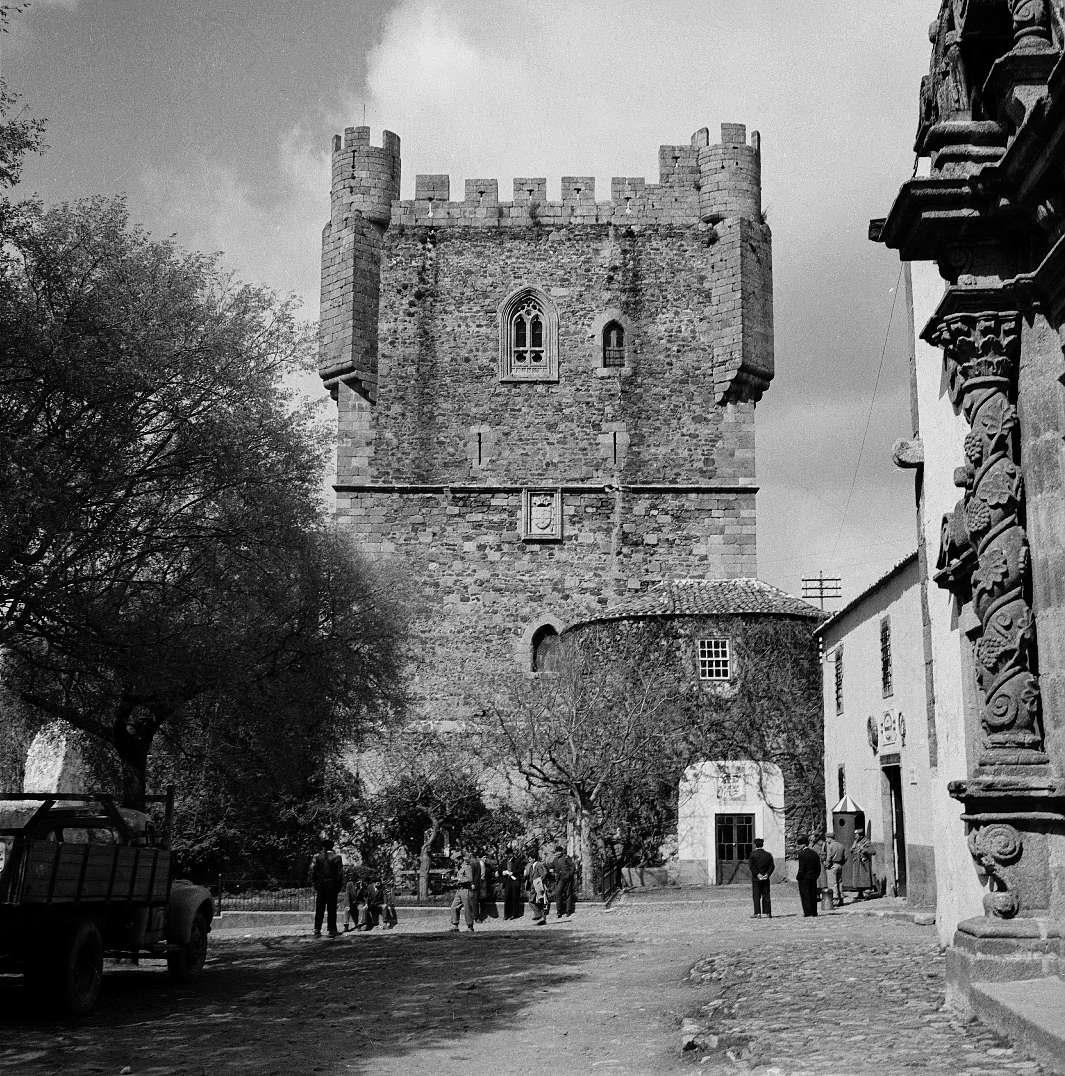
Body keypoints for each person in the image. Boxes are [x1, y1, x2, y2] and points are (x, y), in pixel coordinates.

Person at [309, 837, 343, 938]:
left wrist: (315, 884)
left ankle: (317, 929)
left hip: (321, 886)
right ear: (332, 847)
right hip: (332, 886)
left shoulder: (318, 858)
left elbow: (313, 872)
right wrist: (338, 886)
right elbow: (340, 874)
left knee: (319, 908)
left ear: (323, 847)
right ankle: (332, 930)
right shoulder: (337, 857)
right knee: (332, 908)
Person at [448, 850, 477, 933]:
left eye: (456, 861)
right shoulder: (460, 868)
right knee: (454, 907)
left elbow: (470, 879)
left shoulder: (467, 867)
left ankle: (470, 926)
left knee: (467, 909)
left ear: (460, 859)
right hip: (459, 890)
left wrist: (458, 880)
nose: (455, 862)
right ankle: (455, 925)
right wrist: (454, 881)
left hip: (466, 890)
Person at [748, 837, 774, 919]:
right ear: (762, 844)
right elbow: (772, 866)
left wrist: (757, 874)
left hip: (756, 879)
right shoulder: (768, 854)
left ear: (755, 845)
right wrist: (767, 874)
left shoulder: (752, 854)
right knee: (766, 895)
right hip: (765, 878)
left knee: (756, 895)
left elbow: (752, 866)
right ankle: (767, 912)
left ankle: (757, 913)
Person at [795, 835, 821, 918]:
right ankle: (814, 911)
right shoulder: (814, 853)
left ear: (803, 845)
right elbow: (818, 867)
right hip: (813, 877)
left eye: (799, 845)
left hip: (804, 878)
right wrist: (816, 875)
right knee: (813, 894)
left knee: (805, 895)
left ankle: (808, 912)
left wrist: (798, 877)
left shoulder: (802, 854)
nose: (798, 846)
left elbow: (801, 868)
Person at [525, 848, 549, 925]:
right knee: (538, 903)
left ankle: (539, 915)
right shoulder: (531, 866)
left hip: (538, 886)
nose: (529, 860)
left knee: (533, 902)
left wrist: (538, 881)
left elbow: (544, 874)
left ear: (534, 859)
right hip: (534, 886)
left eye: (530, 859)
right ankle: (541, 918)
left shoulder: (538, 865)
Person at [551, 845, 576, 918]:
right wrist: (551, 870)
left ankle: (568, 911)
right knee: (558, 893)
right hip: (559, 879)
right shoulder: (555, 859)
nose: (557, 853)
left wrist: (569, 874)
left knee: (568, 894)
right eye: (556, 852)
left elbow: (572, 867)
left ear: (561, 851)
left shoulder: (566, 857)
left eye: (558, 852)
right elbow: (551, 866)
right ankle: (559, 911)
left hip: (567, 879)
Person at [850, 828, 876, 899]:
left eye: (857, 835)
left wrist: (865, 850)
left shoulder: (866, 842)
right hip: (857, 862)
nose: (855, 836)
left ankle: (867, 893)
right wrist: (853, 849)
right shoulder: (855, 842)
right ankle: (860, 893)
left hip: (864, 863)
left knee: (865, 878)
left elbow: (873, 851)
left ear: (861, 835)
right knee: (857, 878)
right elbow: (852, 850)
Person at [823, 830, 847, 907]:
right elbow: (845, 857)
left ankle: (835, 899)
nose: (826, 840)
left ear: (830, 838)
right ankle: (841, 899)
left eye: (827, 838)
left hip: (832, 866)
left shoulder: (830, 846)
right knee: (840, 882)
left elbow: (829, 858)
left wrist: (826, 865)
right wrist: (841, 863)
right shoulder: (841, 845)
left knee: (833, 883)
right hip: (839, 865)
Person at [502, 846, 525, 920]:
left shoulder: (517, 861)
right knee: (507, 898)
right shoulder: (504, 861)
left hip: (515, 882)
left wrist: (513, 872)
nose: (507, 856)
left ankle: (514, 914)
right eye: (507, 854)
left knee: (514, 898)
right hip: (507, 882)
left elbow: (521, 869)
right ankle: (506, 914)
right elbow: (500, 868)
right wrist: (503, 872)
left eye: (509, 854)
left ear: (511, 854)